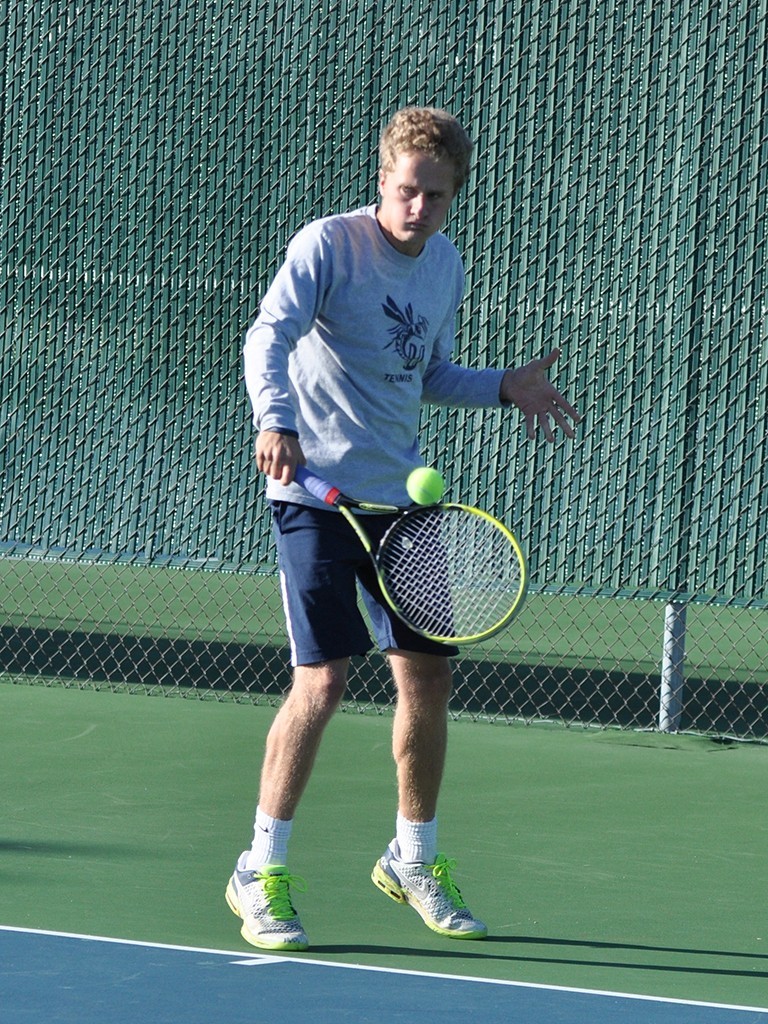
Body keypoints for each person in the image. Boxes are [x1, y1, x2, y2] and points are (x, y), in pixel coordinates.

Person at [227, 106, 580, 951]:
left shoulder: (445, 264)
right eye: (406, 189)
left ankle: (411, 856)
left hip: (404, 508)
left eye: (435, 194)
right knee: (323, 683)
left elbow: (430, 373)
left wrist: (501, 386)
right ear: (382, 180)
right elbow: (267, 333)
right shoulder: (328, 246)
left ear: (455, 195)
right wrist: (274, 421)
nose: (418, 207)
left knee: (425, 683)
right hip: (314, 494)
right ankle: (258, 869)